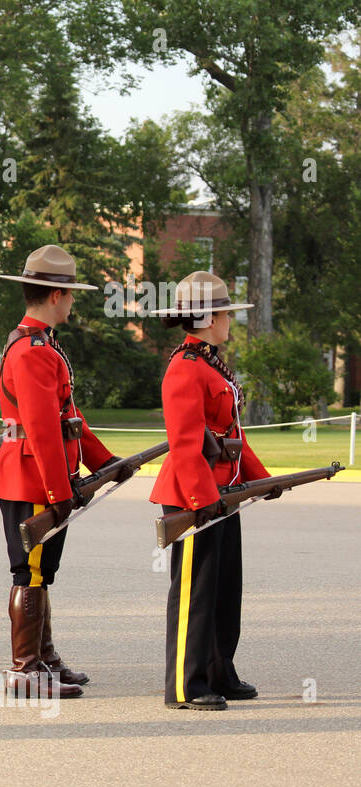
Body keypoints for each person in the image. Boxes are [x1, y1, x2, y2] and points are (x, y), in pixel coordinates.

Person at [0, 245, 130, 698]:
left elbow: (69, 418)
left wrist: (104, 462)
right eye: (70, 293)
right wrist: (58, 489)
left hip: (42, 476)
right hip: (33, 477)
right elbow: (44, 429)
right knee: (28, 572)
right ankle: (25, 668)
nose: (73, 300)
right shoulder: (32, 350)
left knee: (42, 572)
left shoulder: (42, 345)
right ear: (55, 295)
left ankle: (44, 658)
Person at [151, 272, 270, 711]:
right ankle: (186, 684)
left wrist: (258, 478)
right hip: (194, 495)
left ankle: (220, 670)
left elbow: (230, 432)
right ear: (208, 317)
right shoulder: (185, 368)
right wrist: (205, 501)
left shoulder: (209, 363)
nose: (229, 322)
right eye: (225, 314)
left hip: (223, 493)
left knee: (224, 588)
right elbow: (186, 444)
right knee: (194, 593)